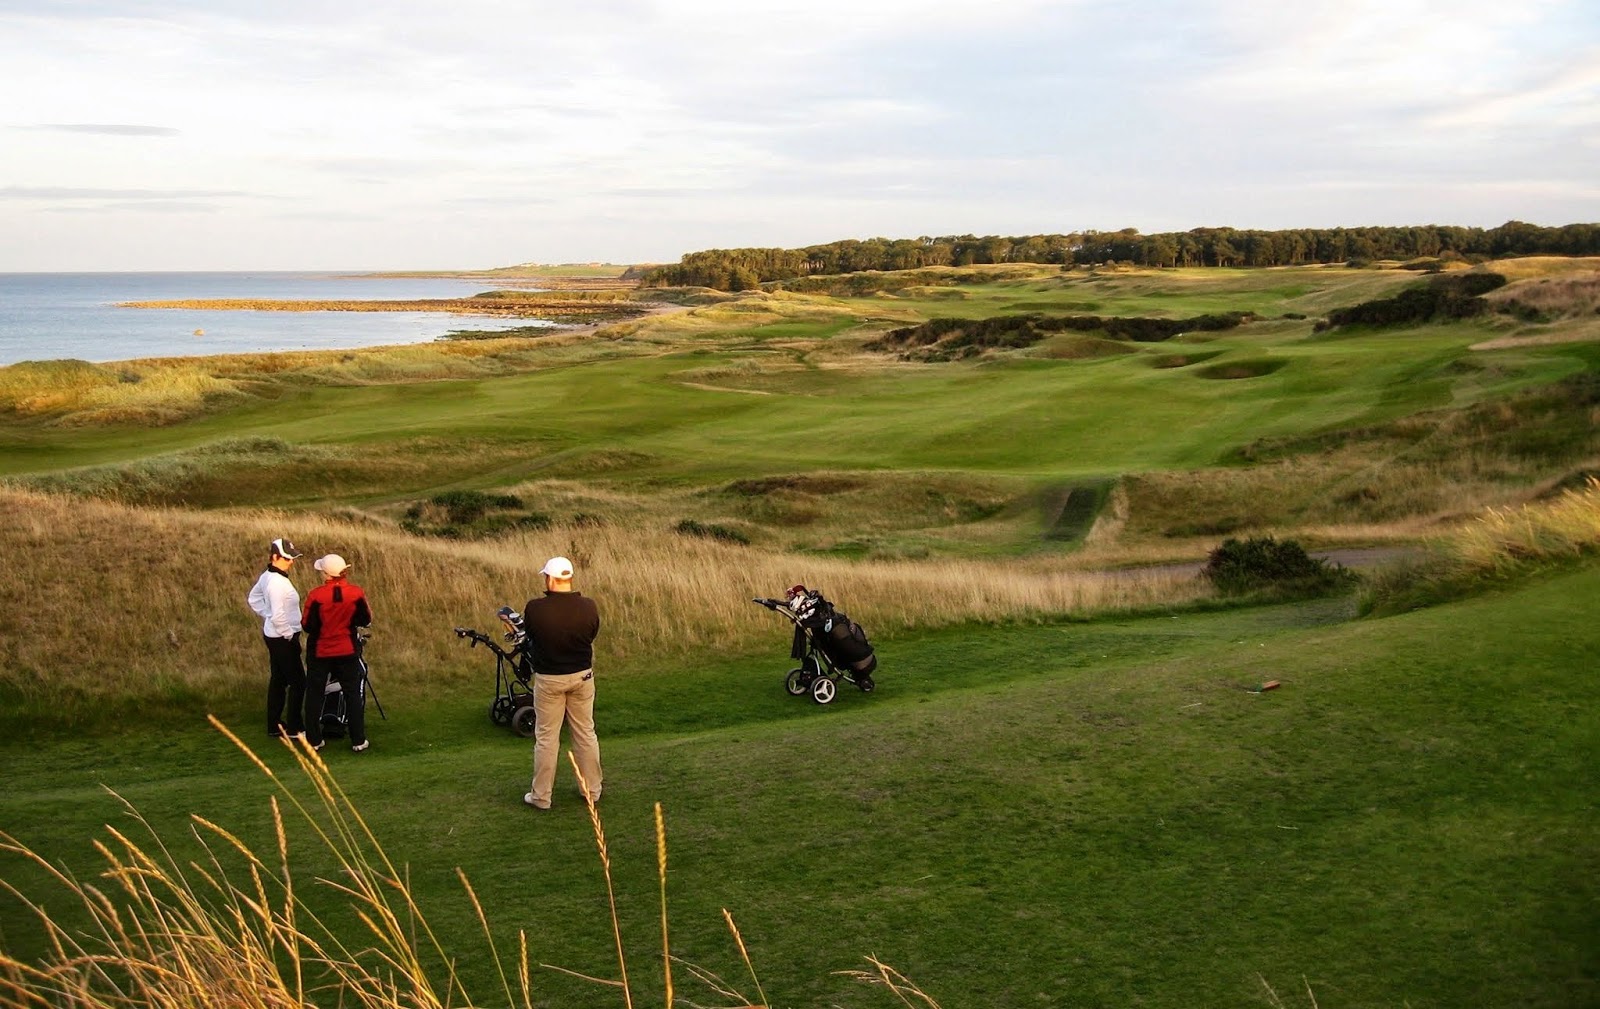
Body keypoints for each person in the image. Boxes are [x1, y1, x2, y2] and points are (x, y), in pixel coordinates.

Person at [522, 556, 603, 809]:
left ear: (550, 578)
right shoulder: (588, 606)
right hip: (582, 676)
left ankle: (541, 796)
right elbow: (591, 634)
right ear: (569, 578)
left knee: (547, 737)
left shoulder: (535, 608)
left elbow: (531, 637)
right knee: (585, 733)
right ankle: (592, 790)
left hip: (549, 680)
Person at [300, 554, 373, 753]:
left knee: (314, 694)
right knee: (352, 694)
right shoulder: (356, 593)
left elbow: (307, 625)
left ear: (326, 574)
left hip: (320, 651)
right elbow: (365, 619)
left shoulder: (316, 595)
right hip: (347, 649)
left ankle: (314, 739)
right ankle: (358, 739)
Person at [247, 537, 304, 738]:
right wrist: (289, 635)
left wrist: (267, 615)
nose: (291, 562)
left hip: (274, 635)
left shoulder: (267, 577)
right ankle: (295, 728)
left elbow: (253, 599)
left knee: (279, 680)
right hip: (282, 638)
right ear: (274, 557)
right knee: (298, 682)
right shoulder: (276, 582)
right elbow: (278, 615)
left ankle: (274, 725)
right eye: (287, 558)